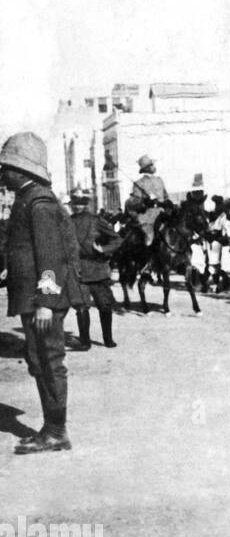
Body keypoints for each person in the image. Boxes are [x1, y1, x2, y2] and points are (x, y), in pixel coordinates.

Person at [1, 132, 87, 453]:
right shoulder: (30, 197)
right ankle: (51, 428)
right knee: (39, 358)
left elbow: (50, 255)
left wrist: (46, 302)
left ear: (21, 170)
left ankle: (55, 432)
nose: (2, 172)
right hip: (35, 296)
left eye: (6, 167)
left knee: (49, 360)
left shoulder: (38, 202)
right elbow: (29, 250)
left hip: (43, 300)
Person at [69, 187, 122, 349]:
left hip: (97, 269)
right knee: (81, 307)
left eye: (81, 203)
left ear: (86, 204)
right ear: (71, 204)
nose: (78, 206)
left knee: (105, 305)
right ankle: (85, 341)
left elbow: (117, 239)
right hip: (78, 270)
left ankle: (108, 338)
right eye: (75, 203)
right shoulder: (66, 221)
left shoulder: (96, 220)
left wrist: (104, 250)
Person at [125, 155, 169, 246]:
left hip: (162, 214)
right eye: (151, 165)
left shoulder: (159, 180)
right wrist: (145, 203)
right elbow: (135, 203)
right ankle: (148, 259)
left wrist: (167, 203)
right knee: (149, 240)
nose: (154, 166)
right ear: (146, 168)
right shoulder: (139, 183)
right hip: (148, 217)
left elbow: (166, 196)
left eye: (152, 164)